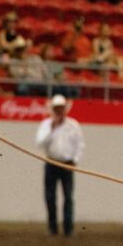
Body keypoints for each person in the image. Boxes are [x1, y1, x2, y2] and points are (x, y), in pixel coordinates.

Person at [34, 94, 84, 237]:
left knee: (68, 197)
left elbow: (80, 145)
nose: (59, 111)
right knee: (50, 197)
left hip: (67, 165)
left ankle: (68, 229)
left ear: (65, 109)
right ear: (53, 109)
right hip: (51, 163)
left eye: (61, 108)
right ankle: (52, 228)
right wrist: (52, 128)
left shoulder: (73, 125)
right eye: (57, 108)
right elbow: (40, 143)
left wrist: (75, 160)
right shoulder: (46, 125)